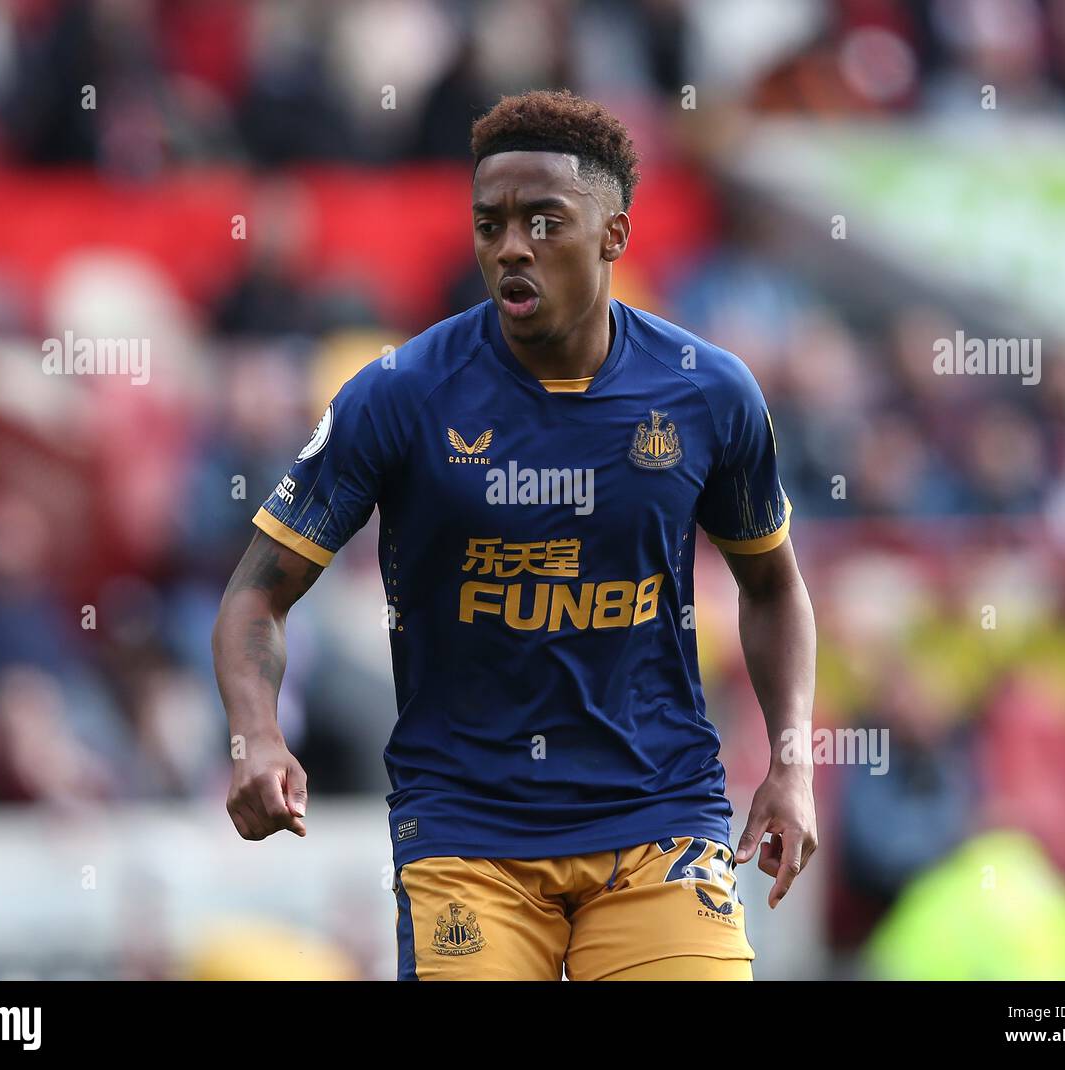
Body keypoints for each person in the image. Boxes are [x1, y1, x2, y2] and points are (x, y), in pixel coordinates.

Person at [211, 89, 818, 981]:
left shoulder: (707, 393)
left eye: (543, 221)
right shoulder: (400, 395)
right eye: (489, 224)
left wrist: (791, 764)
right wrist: (257, 735)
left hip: (660, 817)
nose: (511, 247)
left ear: (613, 234)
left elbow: (773, 588)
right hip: (468, 834)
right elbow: (256, 594)